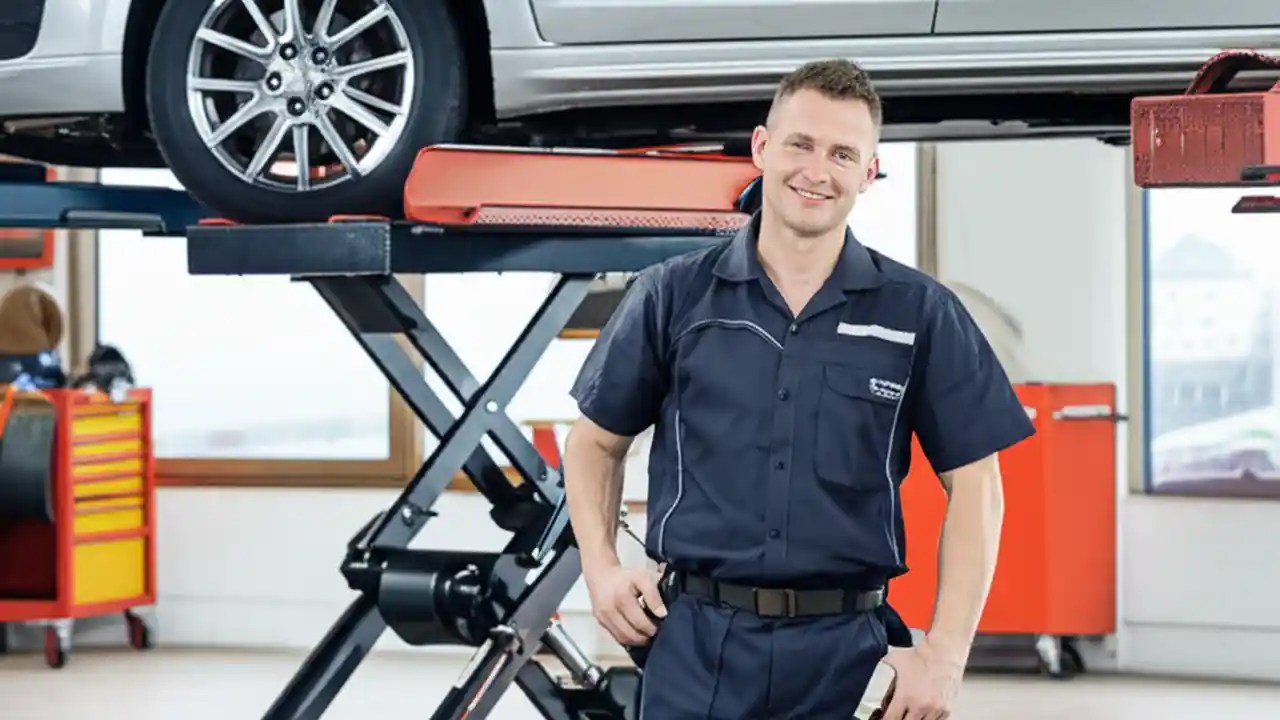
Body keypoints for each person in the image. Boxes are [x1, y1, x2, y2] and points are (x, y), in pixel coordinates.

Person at [562, 58, 1035, 719]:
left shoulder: (919, 312)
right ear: (761, 148)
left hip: (849, 657)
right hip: (695, 646)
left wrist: (946, 657)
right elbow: (593, 444)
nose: (817, 171)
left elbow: (979, 487)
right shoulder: (673, 296)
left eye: (843, 153)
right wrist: (601, 567)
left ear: (869, 173)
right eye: (800, 145)